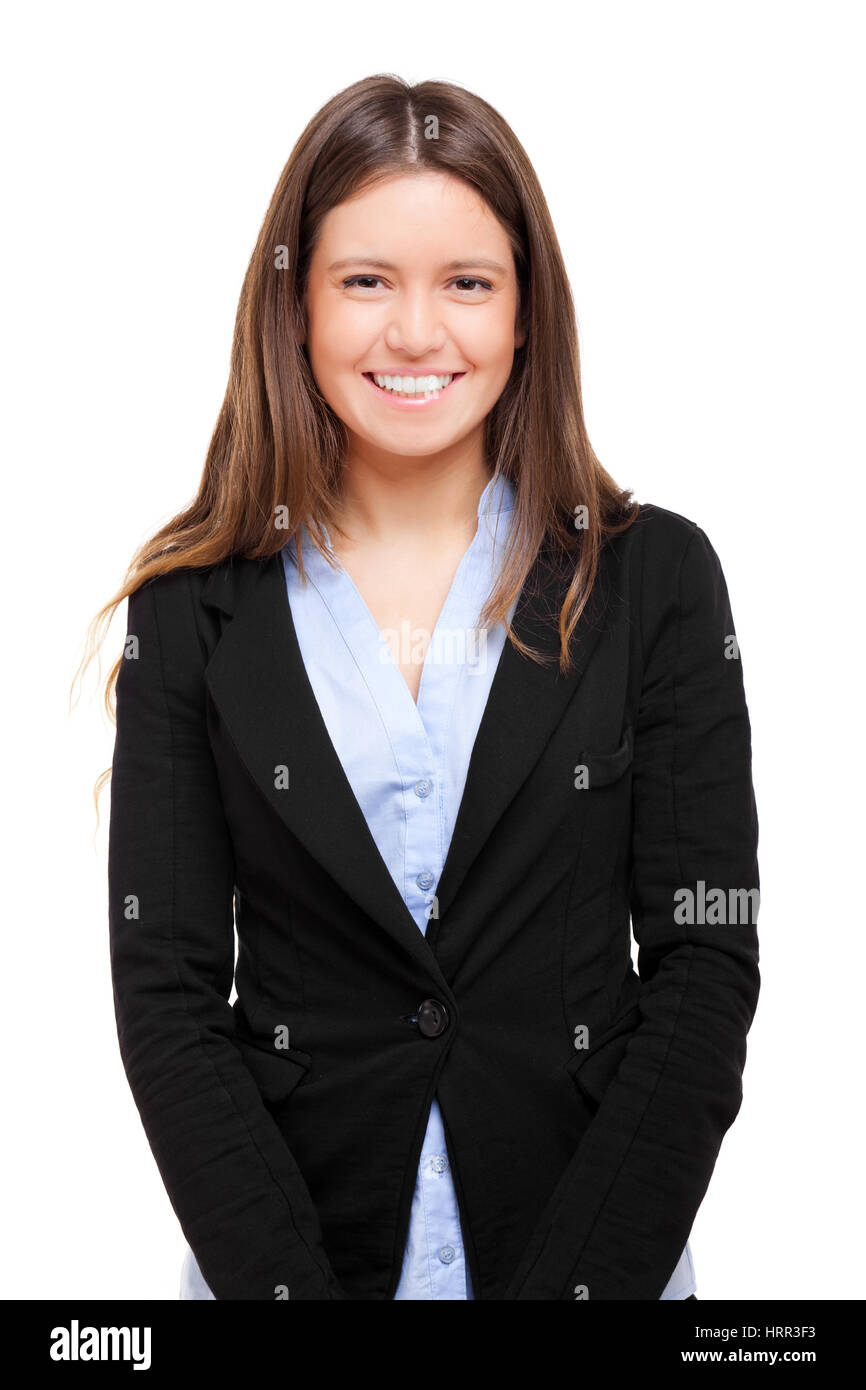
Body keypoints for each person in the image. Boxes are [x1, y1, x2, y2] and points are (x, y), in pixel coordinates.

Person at [86, 74, 760, 1300]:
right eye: (363, 281)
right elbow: (169, 1001)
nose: (413, 334)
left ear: (522, 314)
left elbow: (703, 969)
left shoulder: (654, 580)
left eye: (465, 282)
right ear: (294, 307)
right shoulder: (192, 611)